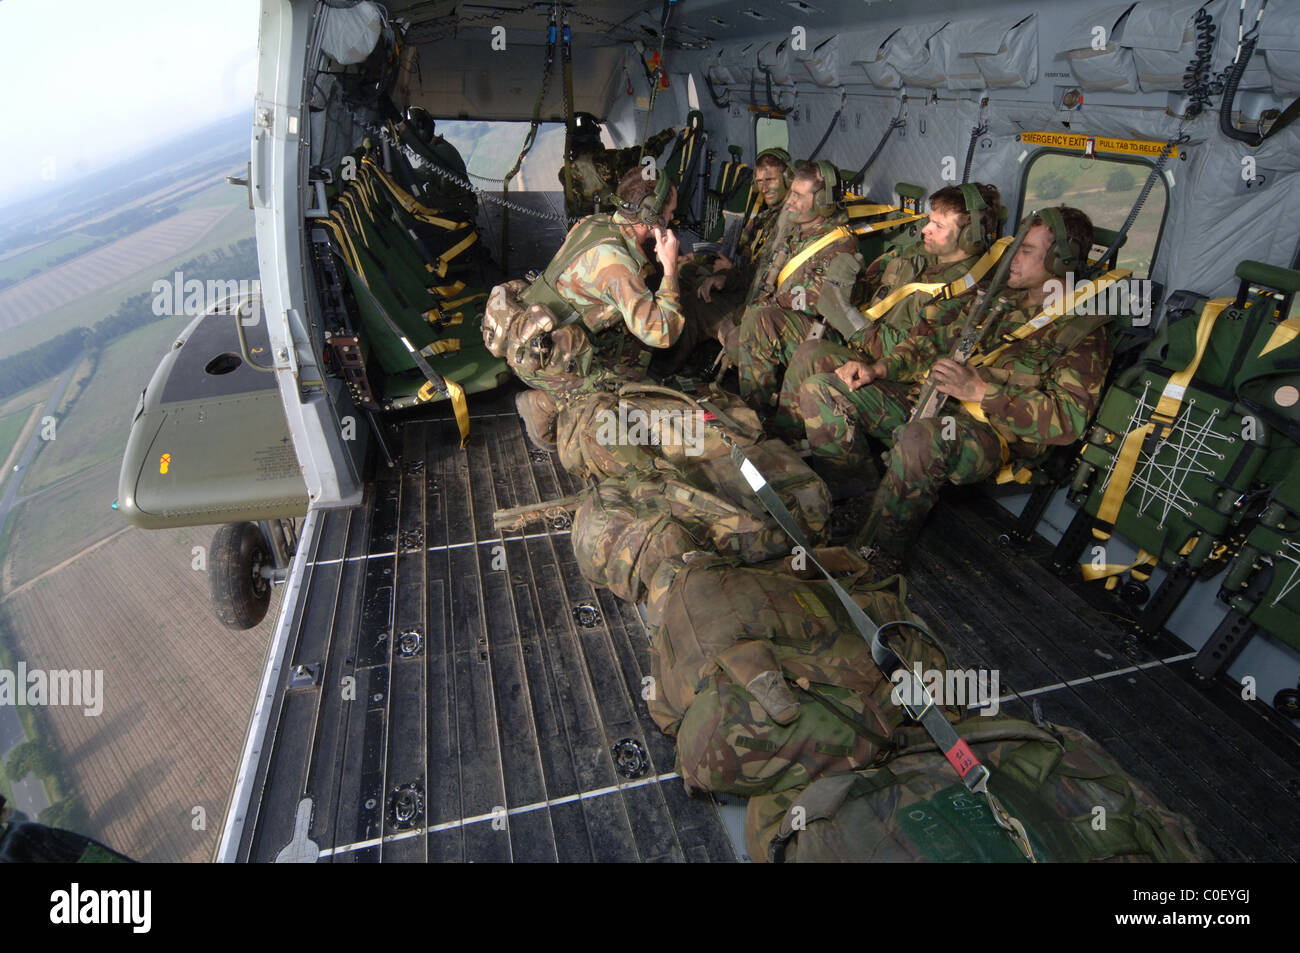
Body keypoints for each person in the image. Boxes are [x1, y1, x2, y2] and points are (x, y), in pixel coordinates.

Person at [794, 206, 1111, 576]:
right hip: (932, 400)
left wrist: (981, 391)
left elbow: (1066, 421)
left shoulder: (1080, 332)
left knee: (919, 439)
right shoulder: (996, 297)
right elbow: (929, 343)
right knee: (824, 388)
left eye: (1026, 250)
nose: (1012, 256)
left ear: (1060, 261)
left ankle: (872, 556)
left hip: (993, 433)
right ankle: (859, 502)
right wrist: (878, 368)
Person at [773, 183, 1003, 449]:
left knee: (820, 384)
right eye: (930, 220)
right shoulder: (916, 254)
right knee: (808, 351)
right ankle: (784, 443)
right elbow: (870, 292)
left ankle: (852, 480)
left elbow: (918, 354)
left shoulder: (967, 290)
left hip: (904, 382)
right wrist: (847, 284)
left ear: (969, 237)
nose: (926, 229)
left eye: (938, 226)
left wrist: (851, 324)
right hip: (868, 353)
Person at [513, 166, 685, 450]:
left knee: (634, 351)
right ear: (650, 214)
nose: (672, 217)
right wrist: (670, 269)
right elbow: (663, 334)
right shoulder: (616, 265)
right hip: (542, 359)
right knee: (621, 397)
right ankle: (546, 404)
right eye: (669, 211)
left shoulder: (596, 223)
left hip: (535, 332)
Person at [733, 160, 864, 418]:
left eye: (798, 195)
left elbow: (814, 300)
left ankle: (759, 415)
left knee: (760, 320)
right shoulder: (799, 233)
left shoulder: (839, 244)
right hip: (791, 322)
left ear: (823, 202)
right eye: (791, 192)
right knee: (748, 318)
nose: (789, 201)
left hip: (822, 332)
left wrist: (773, 302)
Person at [679, 147, 794, 347]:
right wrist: (695, 256)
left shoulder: (790, 222)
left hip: (755, 293)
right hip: (741, 278)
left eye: (770, 180)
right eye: (759, 182)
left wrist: (729, 273)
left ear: (787, 180)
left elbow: (766, 277)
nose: (764, 188)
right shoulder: (765, 217)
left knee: (696, 304)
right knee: (685, 271)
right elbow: (731, 242)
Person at [559, 113, 676, 217]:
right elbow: (646, 153)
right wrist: (670, 133)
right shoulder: (612, 159)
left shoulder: (565, 172)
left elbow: (573, 205)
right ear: (595, 137)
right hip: (615, 220)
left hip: (584, 225)